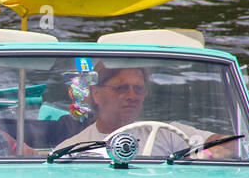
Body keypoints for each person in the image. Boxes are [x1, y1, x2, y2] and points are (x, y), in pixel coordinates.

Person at [53, 64, 238, 158]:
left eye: (138, 89)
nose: (132, 96)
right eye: (122, 88)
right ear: (96, 94)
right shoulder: (73, 148)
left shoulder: (169, 134)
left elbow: (232, 144)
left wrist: (206, 155)